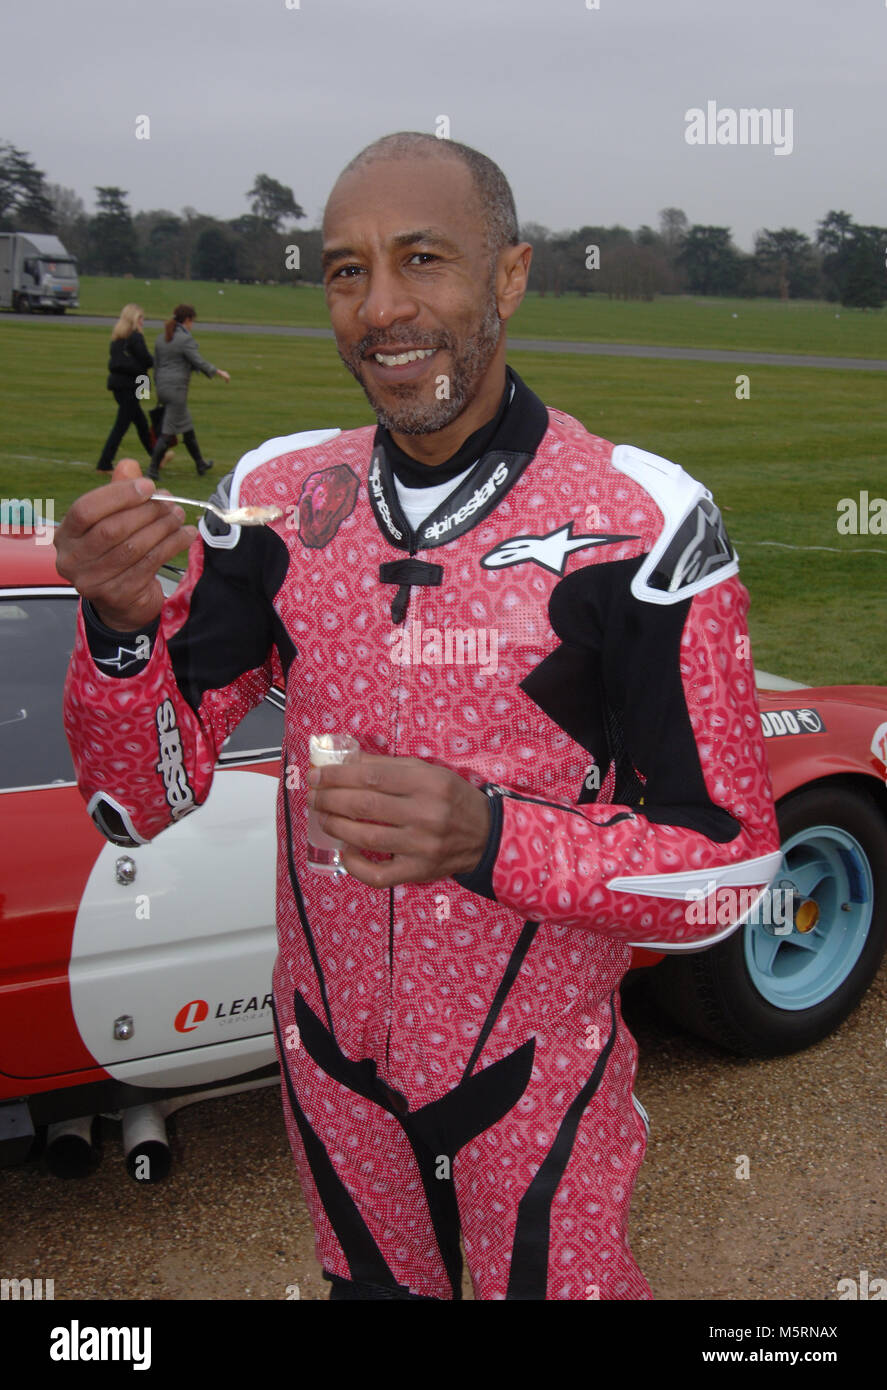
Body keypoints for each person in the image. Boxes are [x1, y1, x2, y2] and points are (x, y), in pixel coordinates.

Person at [54, 132, 781, 1300]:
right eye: (346, 271)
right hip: (328, 1068)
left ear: (507, 278)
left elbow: (730, 870)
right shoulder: (276, 498)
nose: (380, 307)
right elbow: (141, 800)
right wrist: (120, 628)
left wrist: (489, 836)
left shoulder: (643, 522)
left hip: (530, 1073)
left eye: (421, 259)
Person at [147, 303, 230, 480]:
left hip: (163, 388)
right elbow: (198, 361)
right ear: (187, 320)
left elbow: (157, 365)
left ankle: (200, 464)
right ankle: (152, 469)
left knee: (187, 427)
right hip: (177, 390)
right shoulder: (185, 340)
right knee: (168, 432)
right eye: (192, 321)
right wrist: (218, 372)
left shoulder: (162, 338)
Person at [95, 304, 154, 472]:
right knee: (121, 426)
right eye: (141, 318)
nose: (143, 321)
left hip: (118, 386)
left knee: (141, 422)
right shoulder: (136, 337)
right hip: (131, 386)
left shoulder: (118, 338)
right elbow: (146, 360)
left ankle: (156, 457)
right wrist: (159, 361)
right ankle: (104, 463)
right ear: (134, 319)